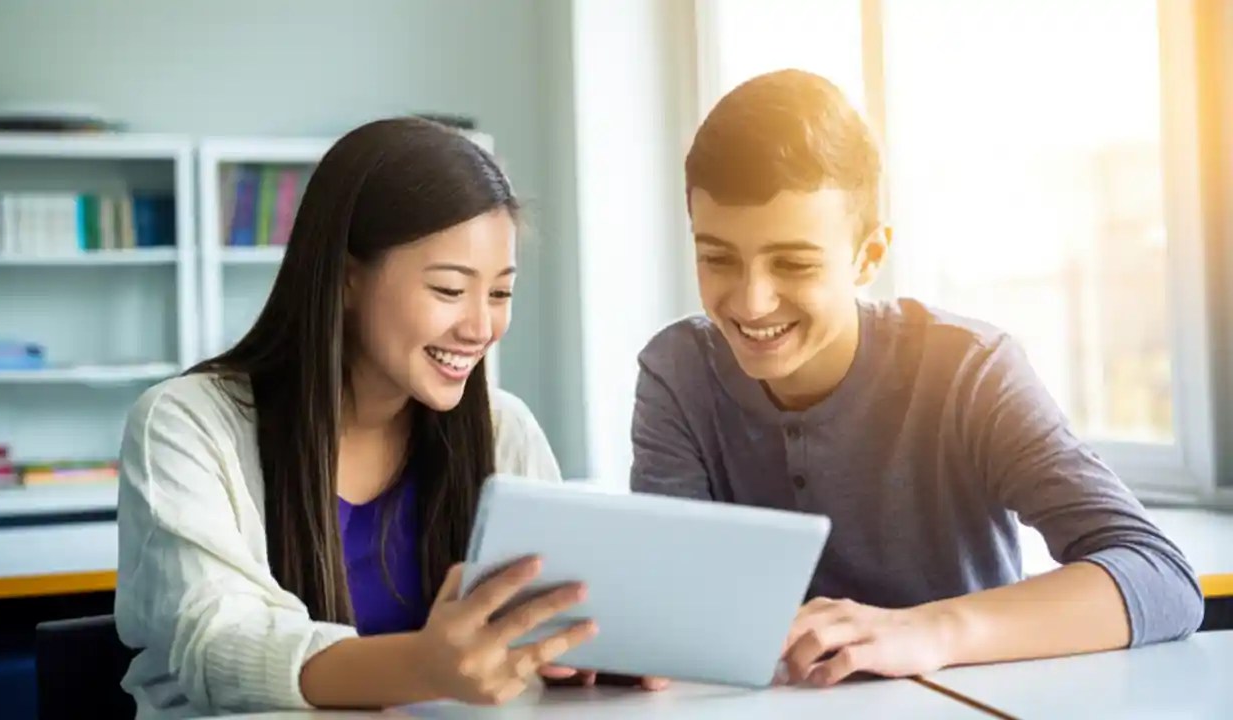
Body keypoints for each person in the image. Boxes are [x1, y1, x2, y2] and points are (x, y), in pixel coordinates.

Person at [631, 69, 1204, 688]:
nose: (751, 300)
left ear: (868, 256)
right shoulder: (677, 375)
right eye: (717, 258)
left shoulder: (969, 370)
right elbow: (672, 605)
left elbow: (1159, 576)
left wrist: (929, 630)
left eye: (793, 263)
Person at [115, 118, 597, 717]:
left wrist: (588, 647)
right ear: (347, 277)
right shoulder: (187, 424)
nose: (480, 328)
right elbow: (219, 646)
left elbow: (542, 622)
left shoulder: (504, 429)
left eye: (499, 294)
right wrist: (421, 665)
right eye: (449, 290)